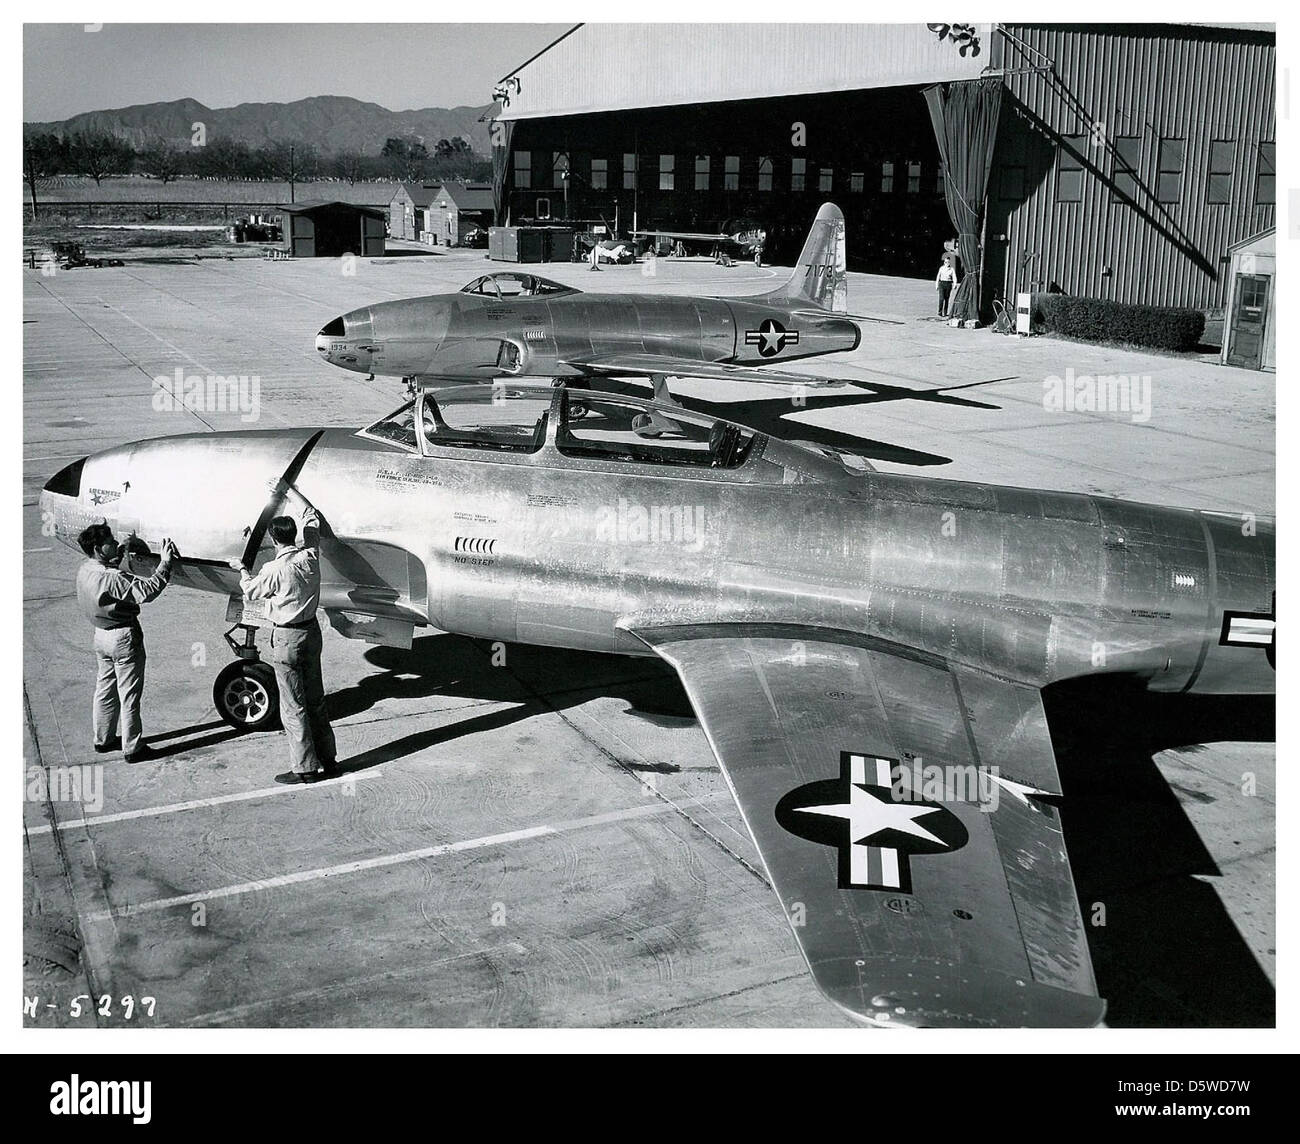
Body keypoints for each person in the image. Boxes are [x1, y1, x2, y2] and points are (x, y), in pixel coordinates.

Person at [230, 485, 336, 784]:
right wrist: (290, 491)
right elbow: (311, 516)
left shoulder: (273, 569)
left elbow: (251, 592)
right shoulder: (310, 557)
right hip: (311, 633)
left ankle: (303, 768)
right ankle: (328, 758)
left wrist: (241, 570)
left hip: (287, 638)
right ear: (294, 536)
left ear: (274, 538)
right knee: (315, 698)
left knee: (293, 706)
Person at [75, 523, 177, 763]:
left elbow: (108, 575)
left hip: (100, 635)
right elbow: (147, 591)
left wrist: (118, 554)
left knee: (105, 690)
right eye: (110, 541)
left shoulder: (85, 570)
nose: (115, 543)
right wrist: (165, 562)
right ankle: (132, 747)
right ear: (100, 549)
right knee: (129, 694)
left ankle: (103, 739)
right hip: (123, 638)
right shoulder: (114, 578)